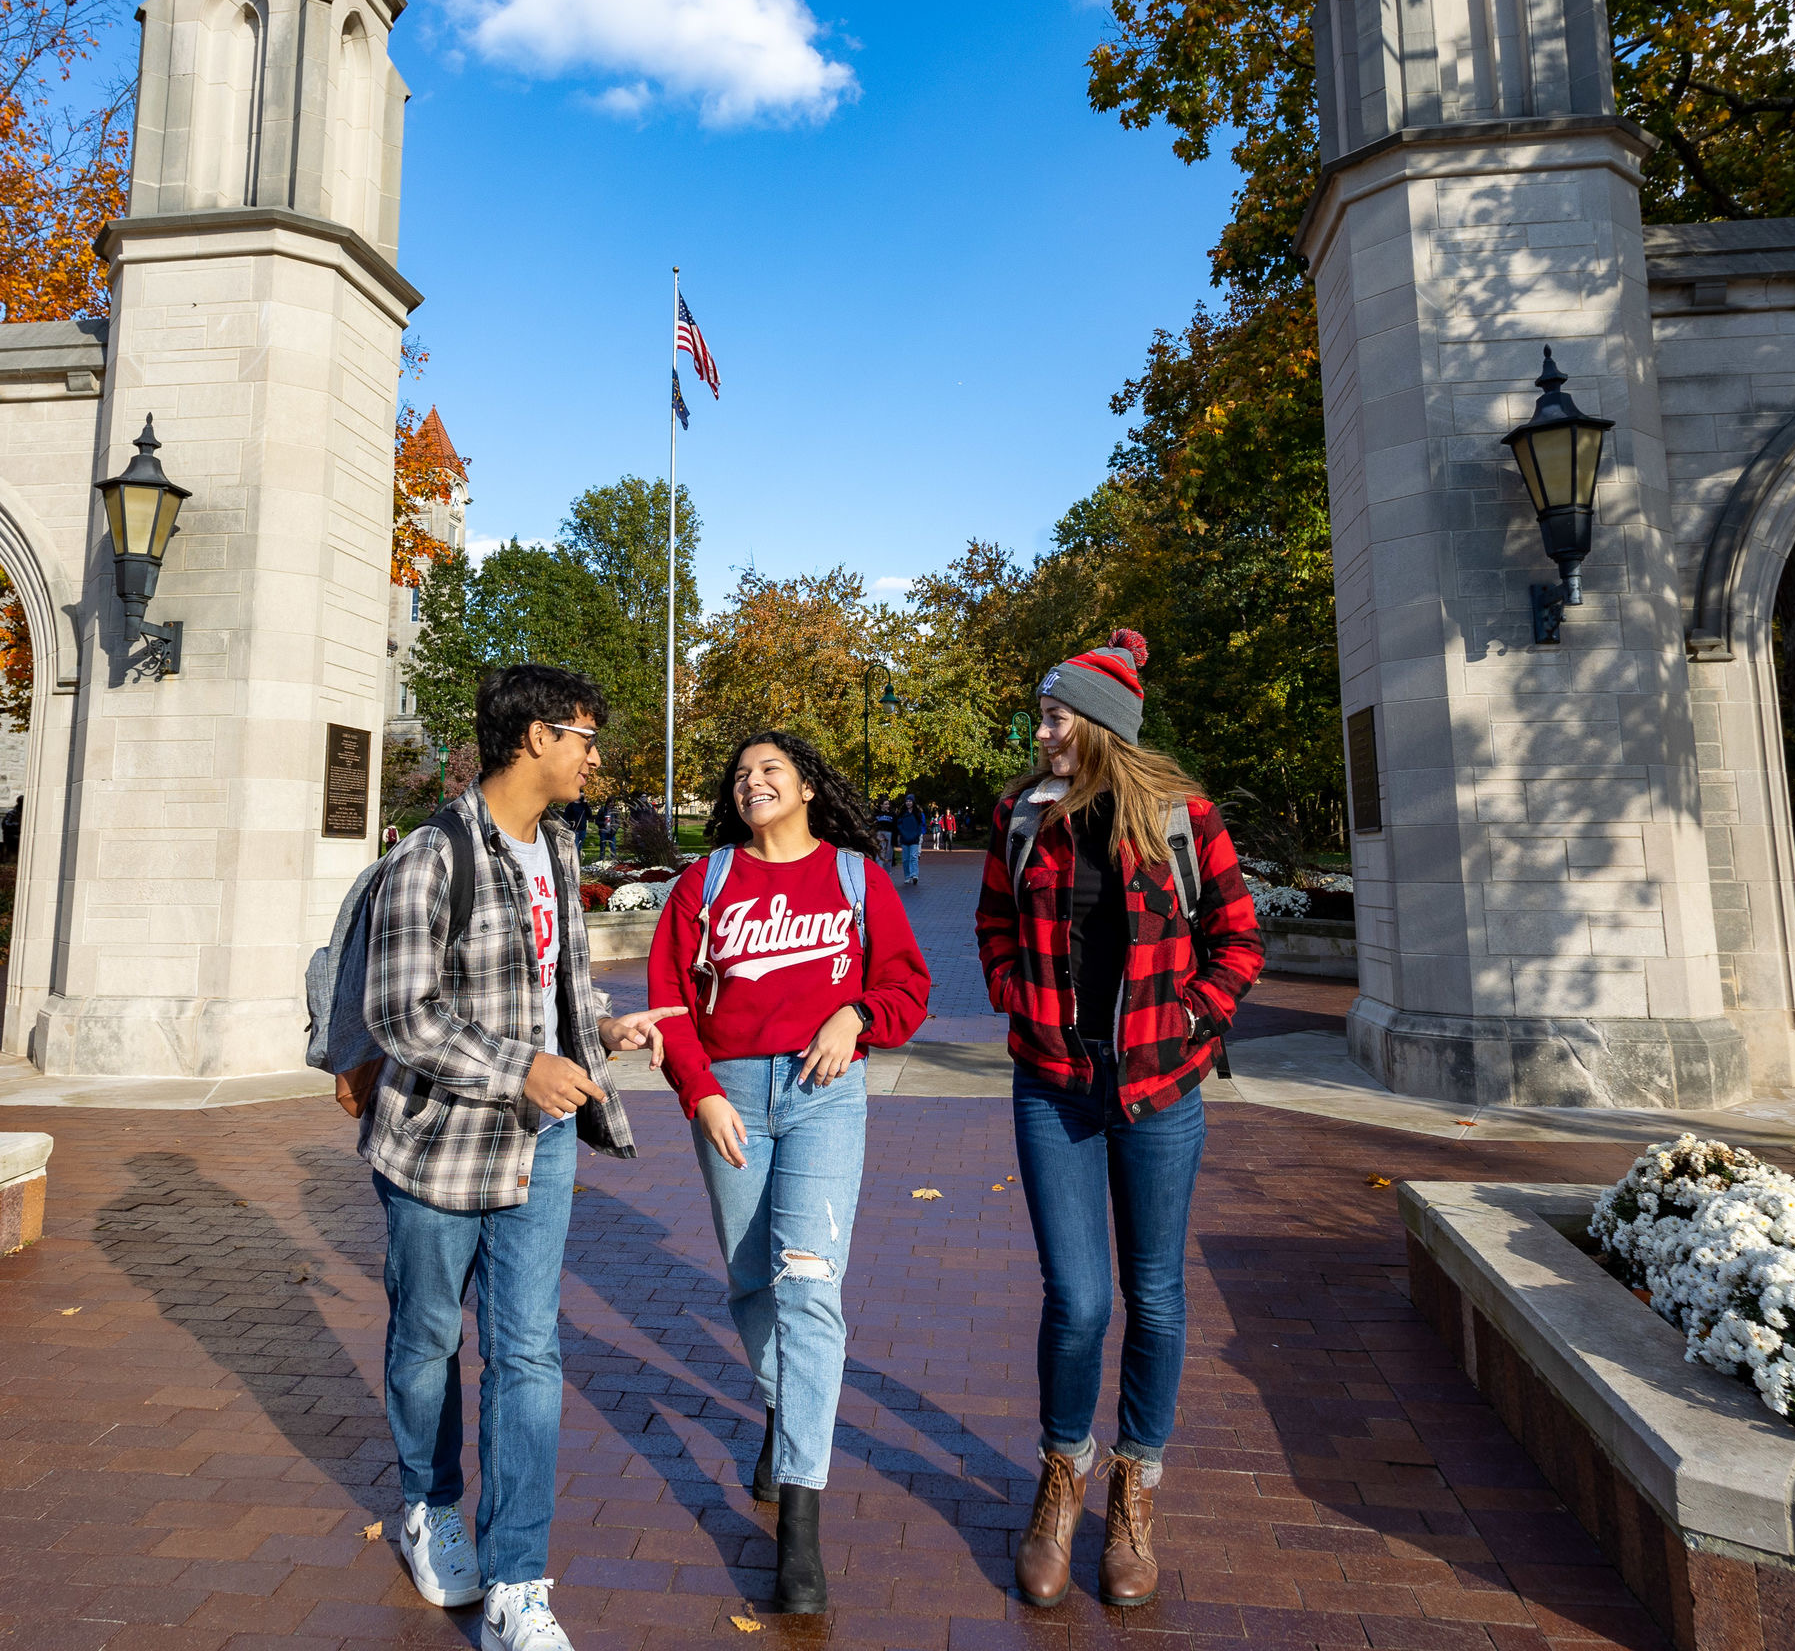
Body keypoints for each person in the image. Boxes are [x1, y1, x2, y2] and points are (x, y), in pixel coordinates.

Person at [363, 663, 684, 1651]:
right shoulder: (431, 854)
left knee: (529, 1353)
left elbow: (555, 981)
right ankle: (428, 1502)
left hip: (539, 1149)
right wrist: (520, 1068)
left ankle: (517, 1583)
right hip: (437, 1151)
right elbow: (400, 1012)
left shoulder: (557, 842)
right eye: (584, 733)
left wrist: (602, 1027)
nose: (596, 753)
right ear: (533, 737)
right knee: (426, 1339)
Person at [974, 630, 1262, 1611]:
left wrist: (1196, 1013)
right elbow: (993, 926)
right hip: (1054, 1085)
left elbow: (1239, 933)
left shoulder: (1183, 816)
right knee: (1080, 1299)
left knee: (1157, 1294)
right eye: (1044, 715)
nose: (1040, 730)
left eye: (1054, 716)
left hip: (1160, 1091)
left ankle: (1135, 1484)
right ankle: (1063, 1474)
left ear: (1099, 725)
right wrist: (1019, 994)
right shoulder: (1020, 812)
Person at [646, 731, 931, 1615]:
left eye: (772, 769)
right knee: (749, 1283)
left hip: (823, 1095)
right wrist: (698, 1093)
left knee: (809, 1286)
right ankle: (782, 1409)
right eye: (742, 774)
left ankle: (799, 1523)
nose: (754, 781)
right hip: (729, 1098)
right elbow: (667, 1001)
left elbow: (908, 985)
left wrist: (857, 1015)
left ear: (807, 784)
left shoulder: (854, 878)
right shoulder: (708, 882)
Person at [893, 794, 927, 885]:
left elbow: (920, 826)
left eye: (910, 801)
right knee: (905, 859)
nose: (908, 803)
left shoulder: (917, 814)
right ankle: (907, 876)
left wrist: (917, 835)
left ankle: (915, 875)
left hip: (914, 839)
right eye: (907, 801)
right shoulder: (902, 813)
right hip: (905, 839)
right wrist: (902, 833)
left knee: (913, 857)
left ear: (913, 802)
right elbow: (899, 825)